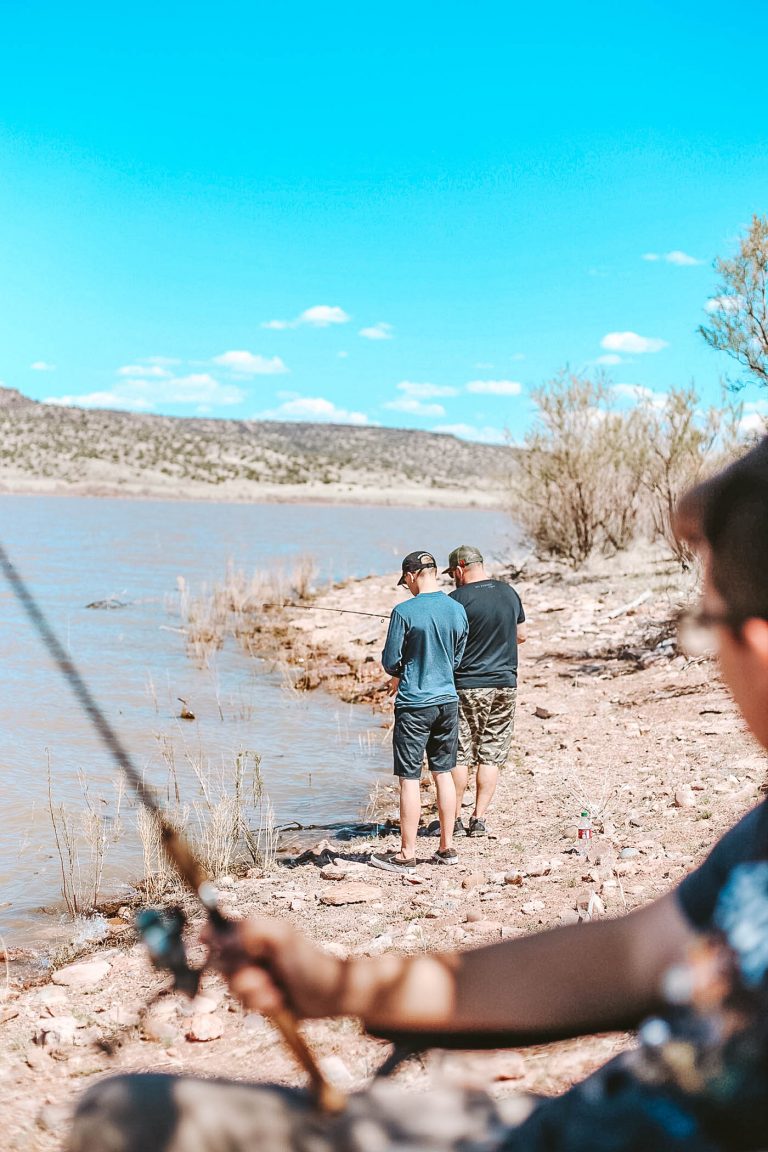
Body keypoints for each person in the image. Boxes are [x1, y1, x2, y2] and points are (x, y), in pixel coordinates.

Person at [69, 437, 768, 1152]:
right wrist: (342, 984)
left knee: (123, 1117)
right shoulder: (754, 847)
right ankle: (453, 833)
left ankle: (419, 844)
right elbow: (626, 955)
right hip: (569, 1117)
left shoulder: (411, 612)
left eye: (705, 626)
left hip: (422, 707)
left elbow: (396, 663)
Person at [370, 550, 469, 873]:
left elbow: (389, 662)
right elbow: (457, 658)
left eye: (406, 581)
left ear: (412, 575)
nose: (407, 587)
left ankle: (407, 854)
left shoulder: (403, 611)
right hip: (447, 700)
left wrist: (408, 667)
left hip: (414, 702)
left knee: (409, 778)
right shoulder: (457, 609)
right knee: (443, 772)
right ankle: (446, 847)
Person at [445, 545, 526, 837]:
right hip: (505, 684)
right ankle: (478, 819)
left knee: (460, 754)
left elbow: (447, 642)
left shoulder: (456, 600)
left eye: (452, 573)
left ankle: (453, 820)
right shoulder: (509, 592)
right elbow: (521, 635)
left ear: (459, 569)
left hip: (467, 685)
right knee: (491, 753)